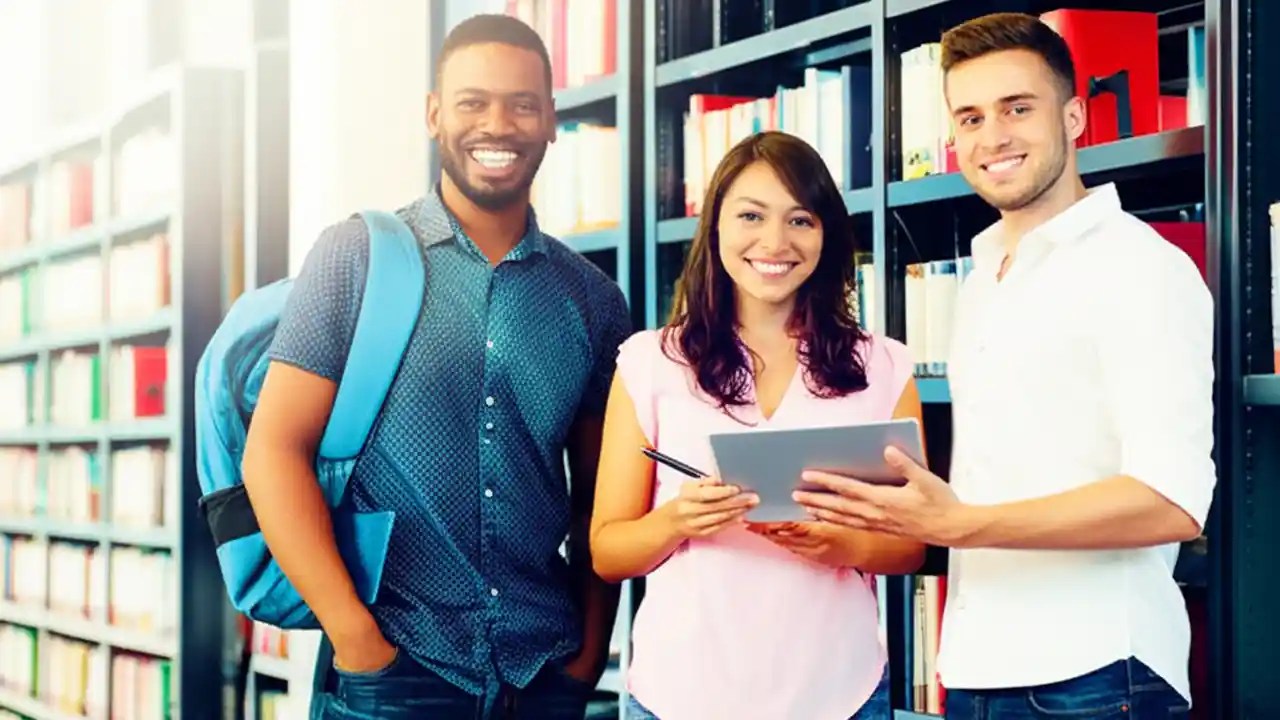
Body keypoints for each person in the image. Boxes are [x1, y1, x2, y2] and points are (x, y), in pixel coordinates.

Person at [794, 12, 1214, 718]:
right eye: (970, 117)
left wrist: (960, 523)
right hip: (978, 669)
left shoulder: (1141, 268)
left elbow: (1170, 500)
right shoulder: (987, 272)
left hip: (1097, 675)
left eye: (1018, 108)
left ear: (1075, 116)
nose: (993, 136)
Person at [240, 13, 632, 719]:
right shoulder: (354, 257)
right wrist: (357, 639)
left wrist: (587, 655)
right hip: (394, 666)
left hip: (542, 671)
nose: (498, 125)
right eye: (472, 102)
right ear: (433, 115)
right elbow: (274, 452)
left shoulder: (594, 301)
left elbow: (599, 502)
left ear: (550, 121)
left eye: (523, 104)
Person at [589, 130, 927, 720]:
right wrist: (678, 520)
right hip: (679, 696)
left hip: (839, 695)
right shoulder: (651, 362)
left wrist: (838, 544)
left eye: (801, 220)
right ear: (715, 224)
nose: (775, 242)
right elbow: (608, 552)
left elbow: (910, 545)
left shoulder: (884, 366)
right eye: (751, 215)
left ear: (827, 234)